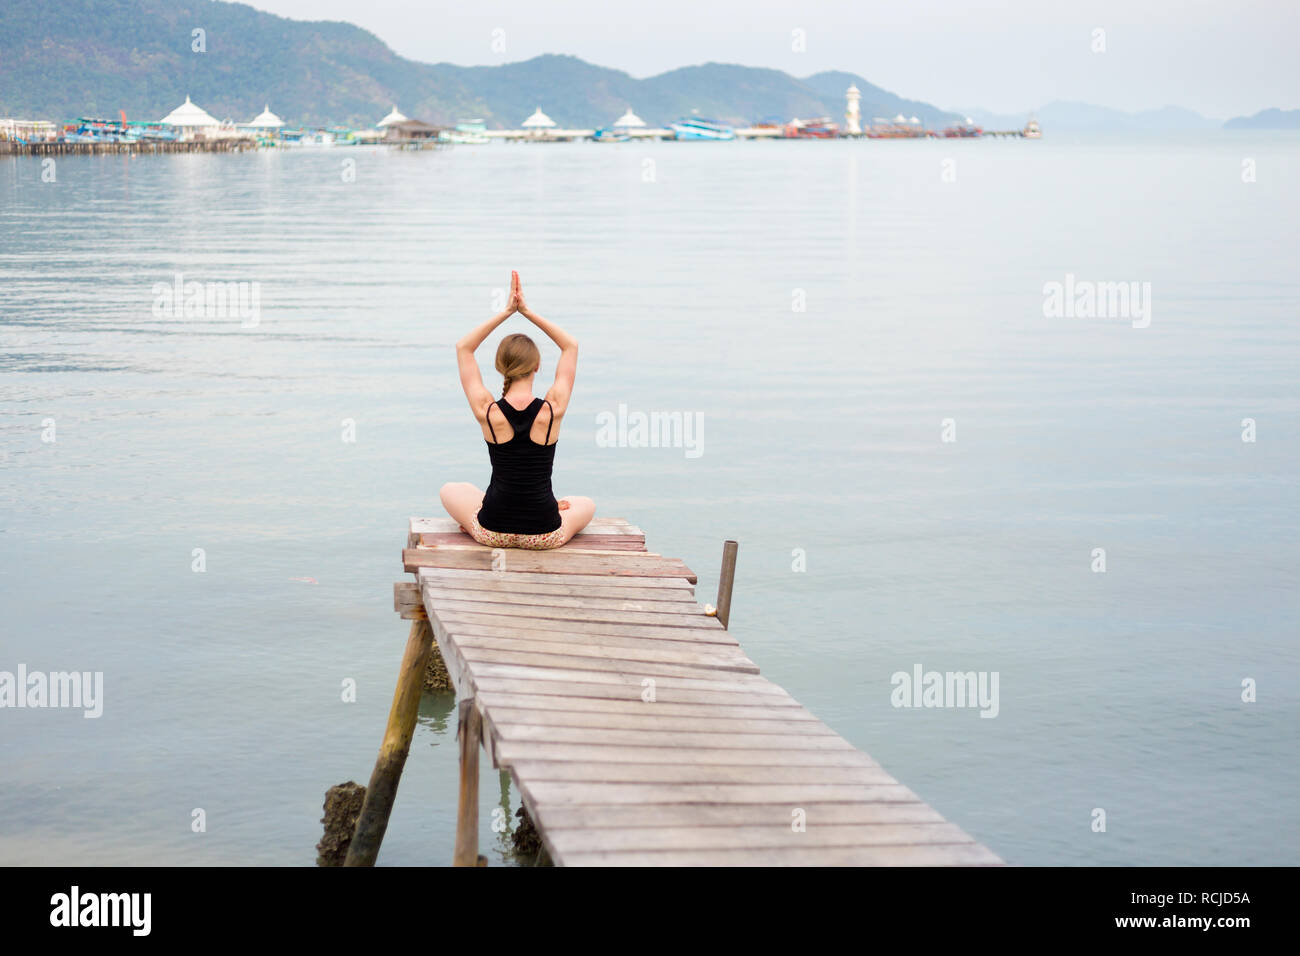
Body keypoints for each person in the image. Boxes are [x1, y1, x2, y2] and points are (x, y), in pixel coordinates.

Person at [439, 271, 595, 549]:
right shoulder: (553, 409)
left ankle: (476, 525)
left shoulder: (487, 410)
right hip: (544, 533)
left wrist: (507, 312)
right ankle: (549, 506)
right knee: (586, 504)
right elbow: (570, 345)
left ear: (501, 367)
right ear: (536, 366)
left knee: (450, 490)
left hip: (493, 530)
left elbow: (464, 348)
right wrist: (526, 311)